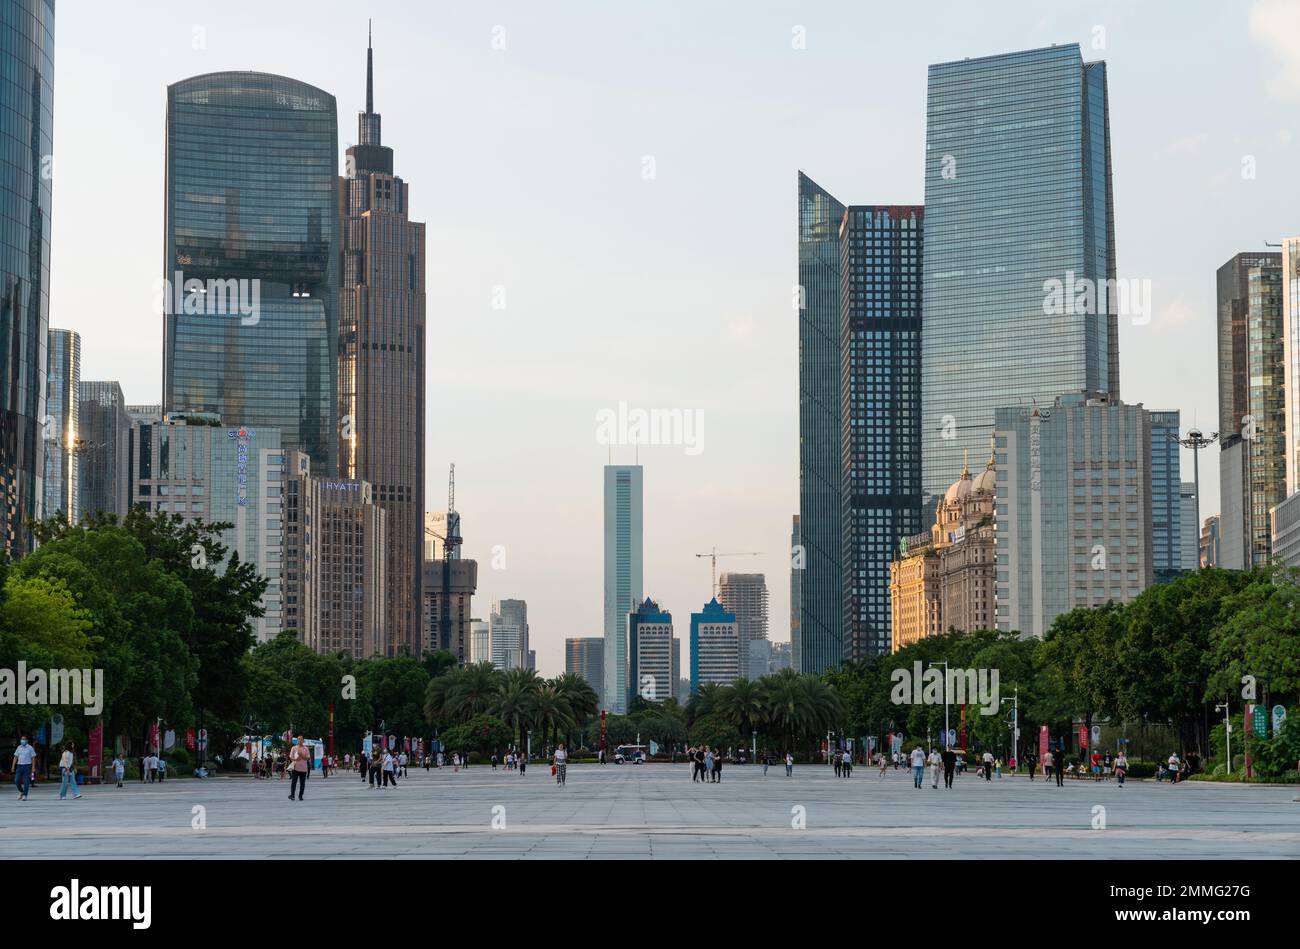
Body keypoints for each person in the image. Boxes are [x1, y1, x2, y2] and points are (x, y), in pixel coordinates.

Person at [12, 736, 36, 801]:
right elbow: (15, 757)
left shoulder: (30, 748)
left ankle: (25, 795)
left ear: (27, 740)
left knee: (26, 781)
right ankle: (22, 791)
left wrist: (33, 767)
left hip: (27, 766)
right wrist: (13, 766)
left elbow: (33, 758)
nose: (23, 740)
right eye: (22, 739)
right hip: (19, 766)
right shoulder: (19, 747)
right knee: (16, 781)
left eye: (24, 739)